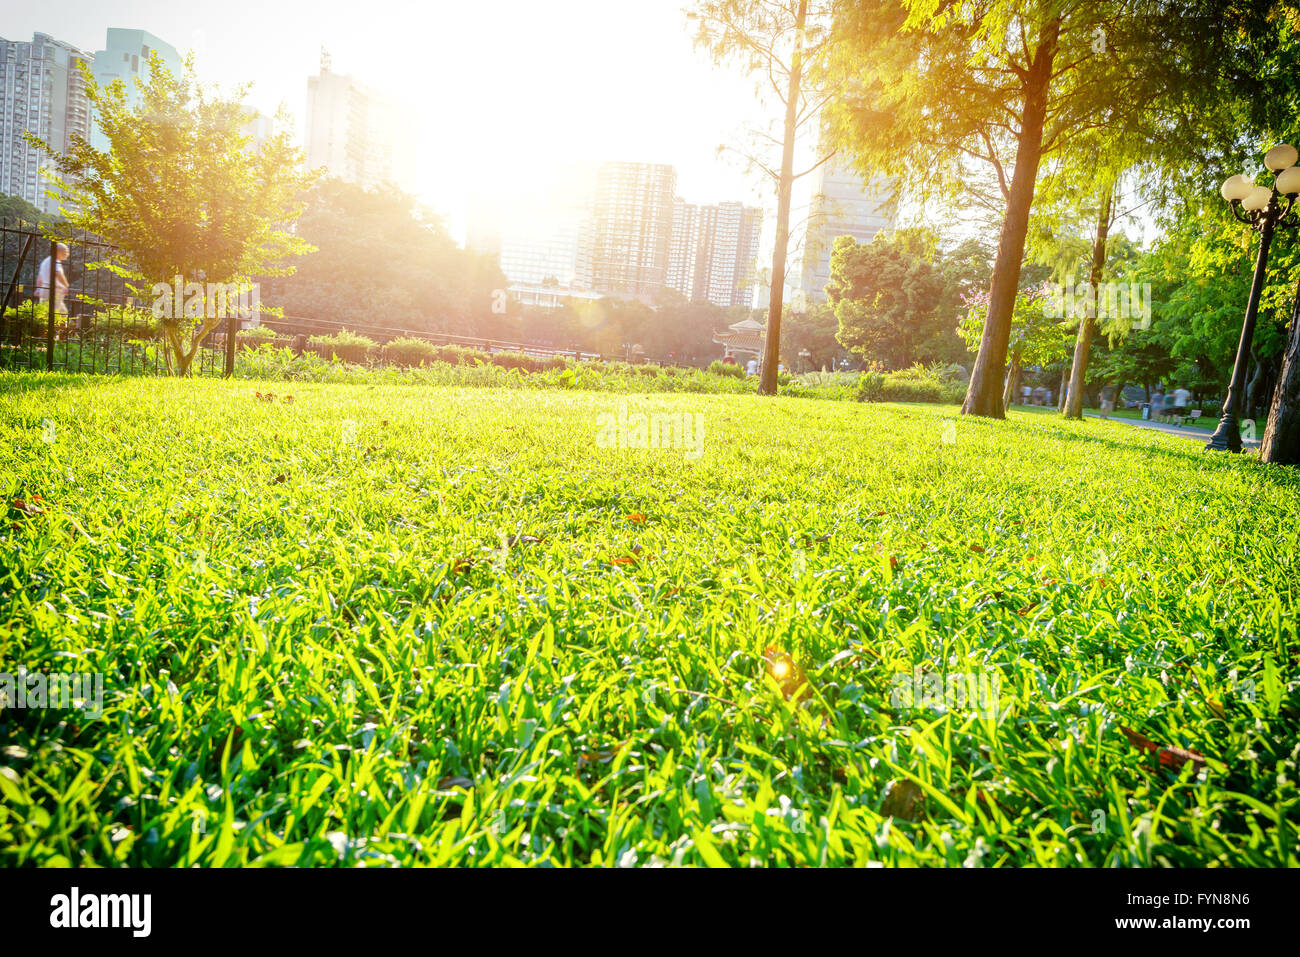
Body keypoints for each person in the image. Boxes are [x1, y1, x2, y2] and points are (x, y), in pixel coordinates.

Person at [35, 243, 70, 318]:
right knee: (54, 313)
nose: (66, 254)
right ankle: (53, 329)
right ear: (59, 252)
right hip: (55, 290)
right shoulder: (55, 261)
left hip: (45, 289)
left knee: (61, 312)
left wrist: (38, 288)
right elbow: (58, 273)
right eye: (65, 252)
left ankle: (56, 328)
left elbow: (40, 277)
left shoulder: (45, 261)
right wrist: (66, 285)